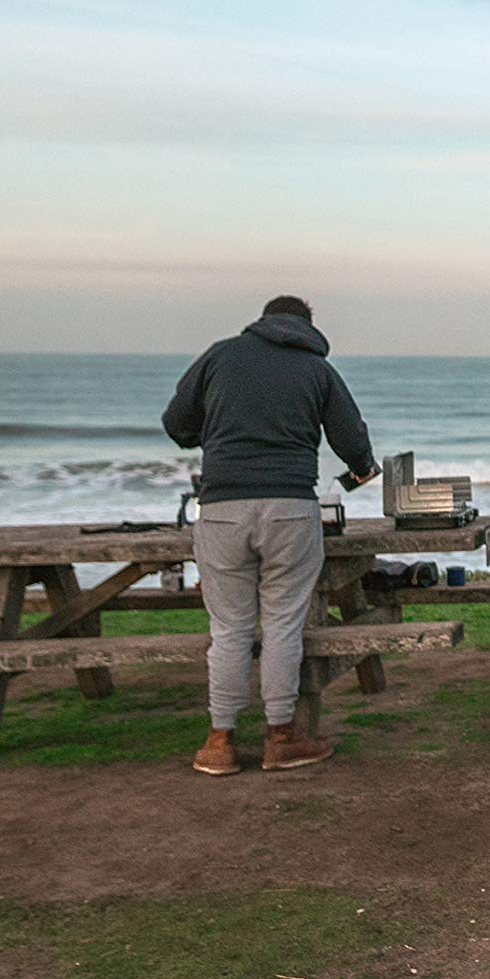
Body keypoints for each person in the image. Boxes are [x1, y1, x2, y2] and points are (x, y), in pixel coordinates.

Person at [162, 295, 375, 776]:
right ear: (307, 326)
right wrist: (362, 469)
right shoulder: (317, 370)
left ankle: (219, 742)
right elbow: (353, 440)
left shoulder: (219, 356)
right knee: (282, 625)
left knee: (230, 630)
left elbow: (177, 424)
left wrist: (218, 435)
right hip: (290, 509)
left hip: (222, 508)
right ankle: (281, 736)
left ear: (262, 320)